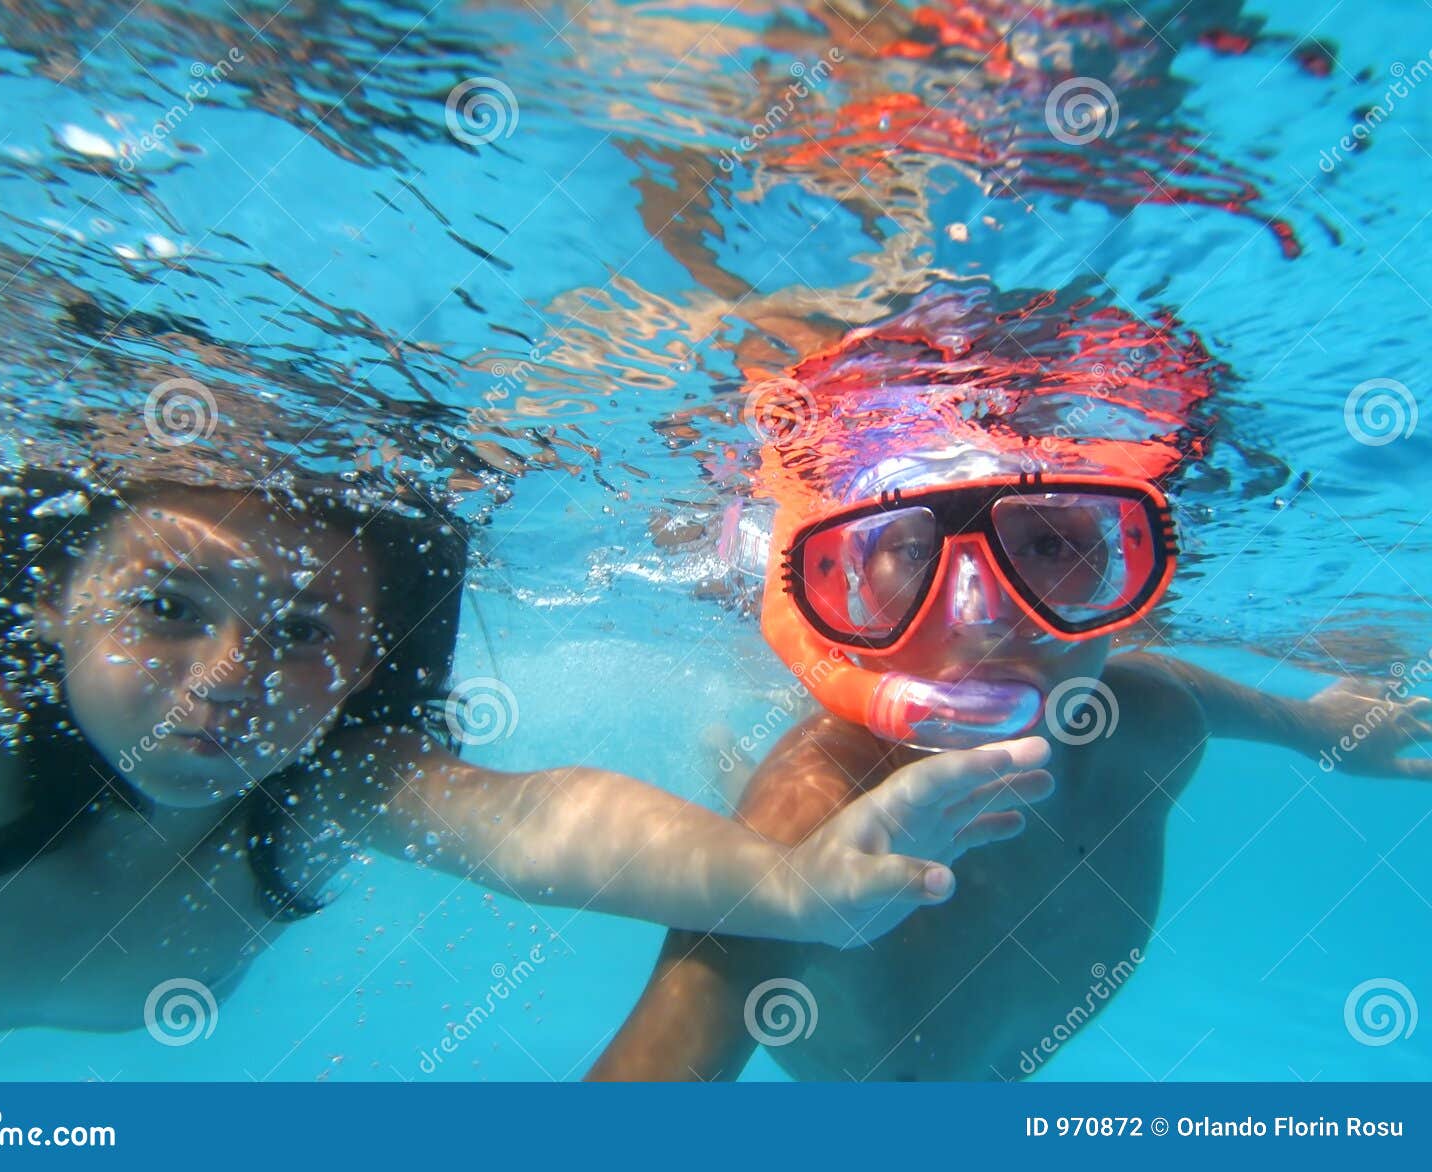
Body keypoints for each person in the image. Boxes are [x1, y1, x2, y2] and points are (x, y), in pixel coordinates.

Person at [0, 461, 1054, 1037]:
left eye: (308, 630)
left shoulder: (324, 778)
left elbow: (528, 823)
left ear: (369, 663)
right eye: (166, 605)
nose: (228, 682)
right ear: (51, 594)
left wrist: (795, 885)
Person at [589, 299, 1431, 1081]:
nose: (983, 616)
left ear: (1124, 577)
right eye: (912, 554)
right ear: (841, 584)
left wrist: (1321, 729)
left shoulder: (1148, 719)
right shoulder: (807, 819)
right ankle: (724, 756)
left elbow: (1179, 687)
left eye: (1052, 544)